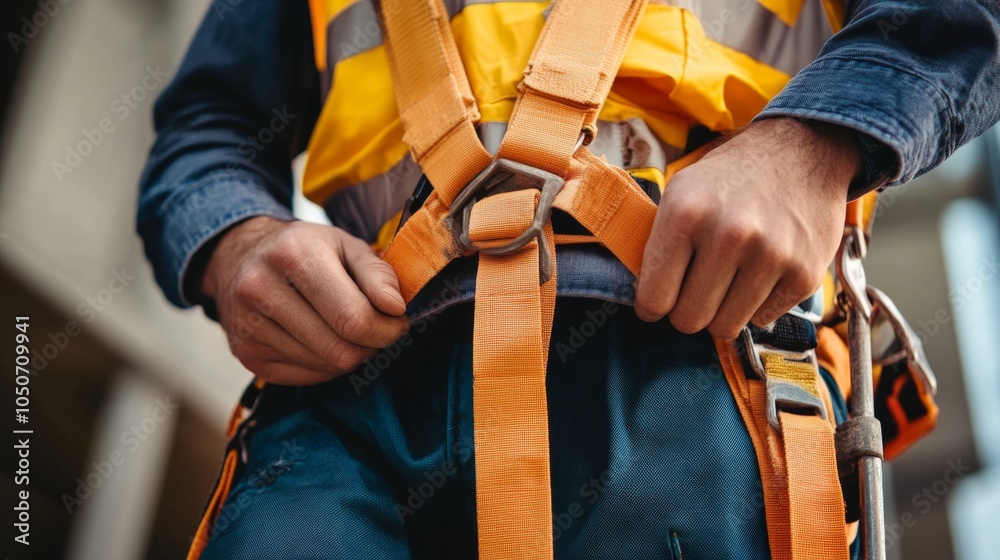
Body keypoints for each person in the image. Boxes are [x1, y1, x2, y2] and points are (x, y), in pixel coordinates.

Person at [138, 1, 1000, 558]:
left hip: (694, 356)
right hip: (358, 381)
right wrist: (233, 241)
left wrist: (812, 146)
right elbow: (208, 127)